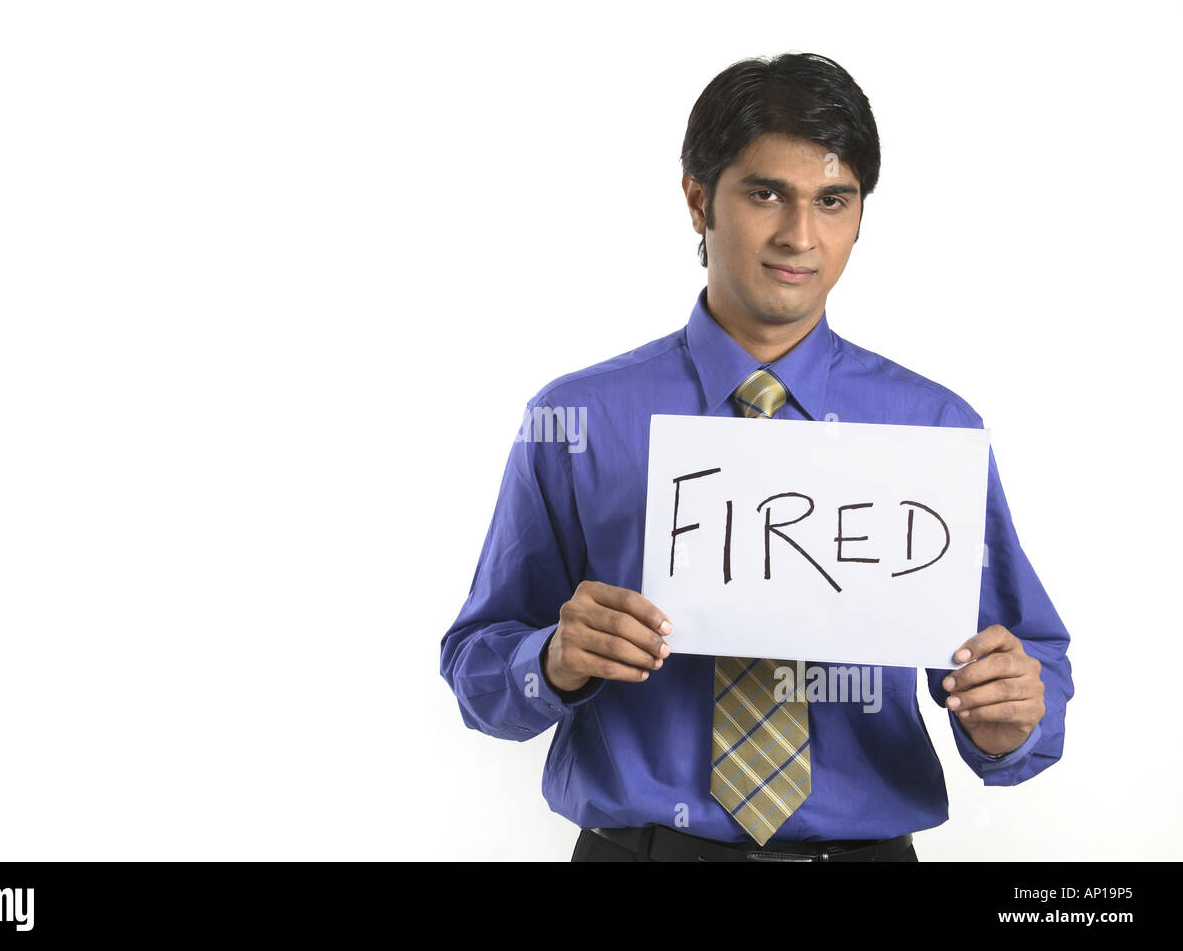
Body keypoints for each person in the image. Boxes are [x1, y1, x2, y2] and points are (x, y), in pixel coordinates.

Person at [439, 52, 1073, 862]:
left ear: (859, 216)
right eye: (766, 193)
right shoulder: (577, 419)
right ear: (699, 199)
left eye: (833, 201)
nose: (800, 235)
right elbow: (476, 668)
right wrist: (553, 660)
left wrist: (1014, 717)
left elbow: (1027, 665)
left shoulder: (934, 431)